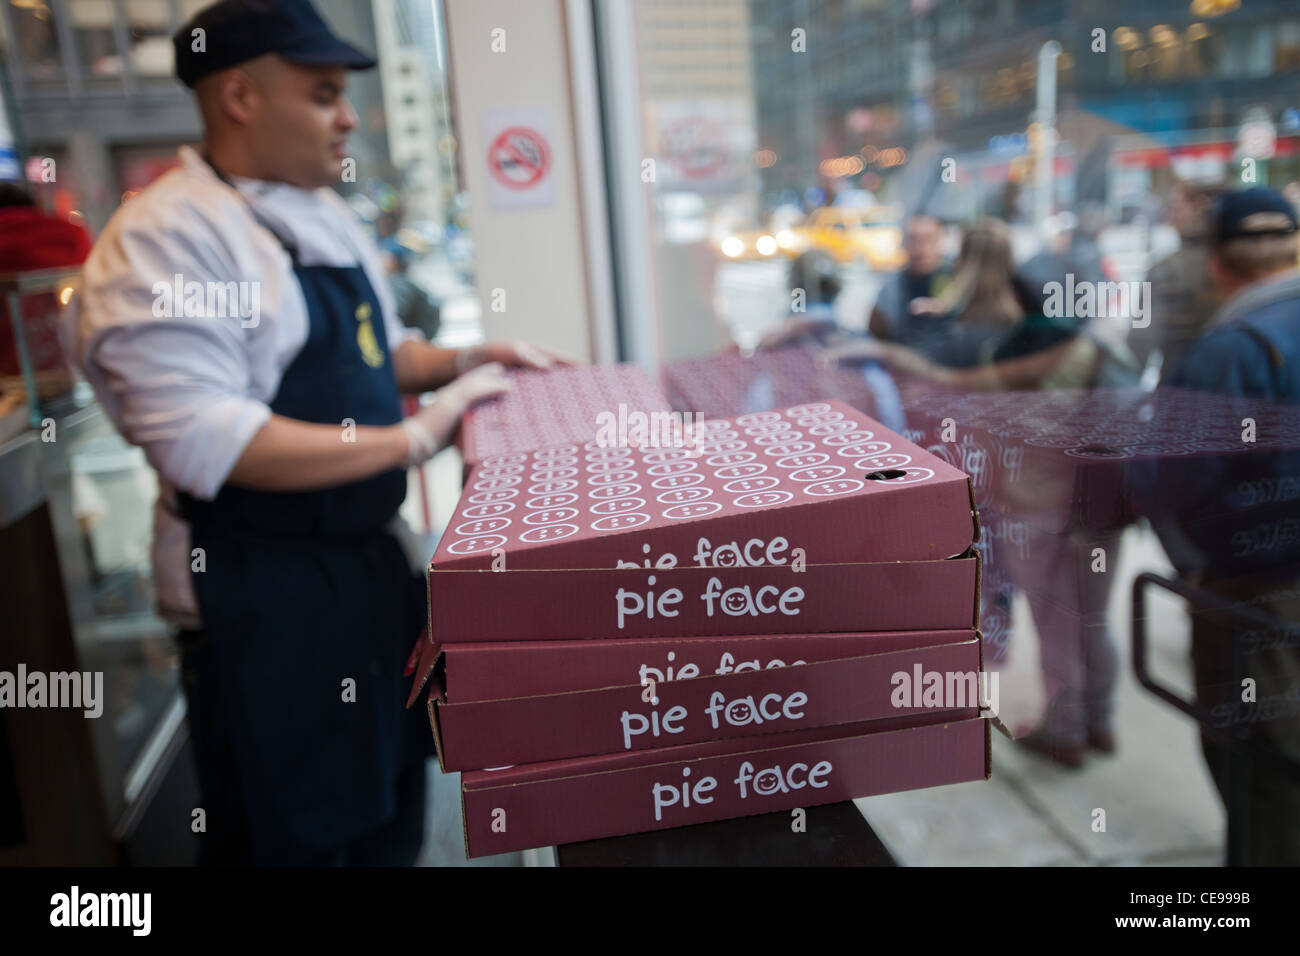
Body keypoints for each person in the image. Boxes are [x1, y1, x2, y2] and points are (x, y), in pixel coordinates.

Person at [66, 0, 567, 866]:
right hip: (260, 595)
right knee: (288, 837)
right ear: (239, 95)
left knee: (386, 810)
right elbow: (207, 440)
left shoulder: (319, 215)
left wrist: (463, 361)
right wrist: (418, 440)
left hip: (366, 577)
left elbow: (373, 358)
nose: (346, 119)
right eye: (324, 94)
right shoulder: (165, 236)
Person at [828, 218, 1123, 767]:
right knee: (1094, 620)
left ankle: (1067, 731)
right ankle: (1099, 721)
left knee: (1057, 622)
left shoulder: (1009, 352)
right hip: (1104, 506)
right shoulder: (1095, 352)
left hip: (1041, 506)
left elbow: (955, 390)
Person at [1129, 187, 1300, 864]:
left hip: (1261, 596)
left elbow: (1166, 478)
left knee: (1265, 767)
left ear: (1217, 265)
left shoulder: (1231, 350)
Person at [1128, 181, 1225, 380]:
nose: (1169, 216)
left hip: (1181, 390)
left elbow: (1137, 346)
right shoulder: (1246, 263)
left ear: (1200, 206)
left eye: (1175, 208)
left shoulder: (1164, 269)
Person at [866, 214, 955, 356]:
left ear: (942, 241)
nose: (921, 248)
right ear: (903, 243)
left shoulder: (957, 283)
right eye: (913, 240)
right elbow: (875, 336)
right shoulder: (890, 290)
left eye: (929, 239)